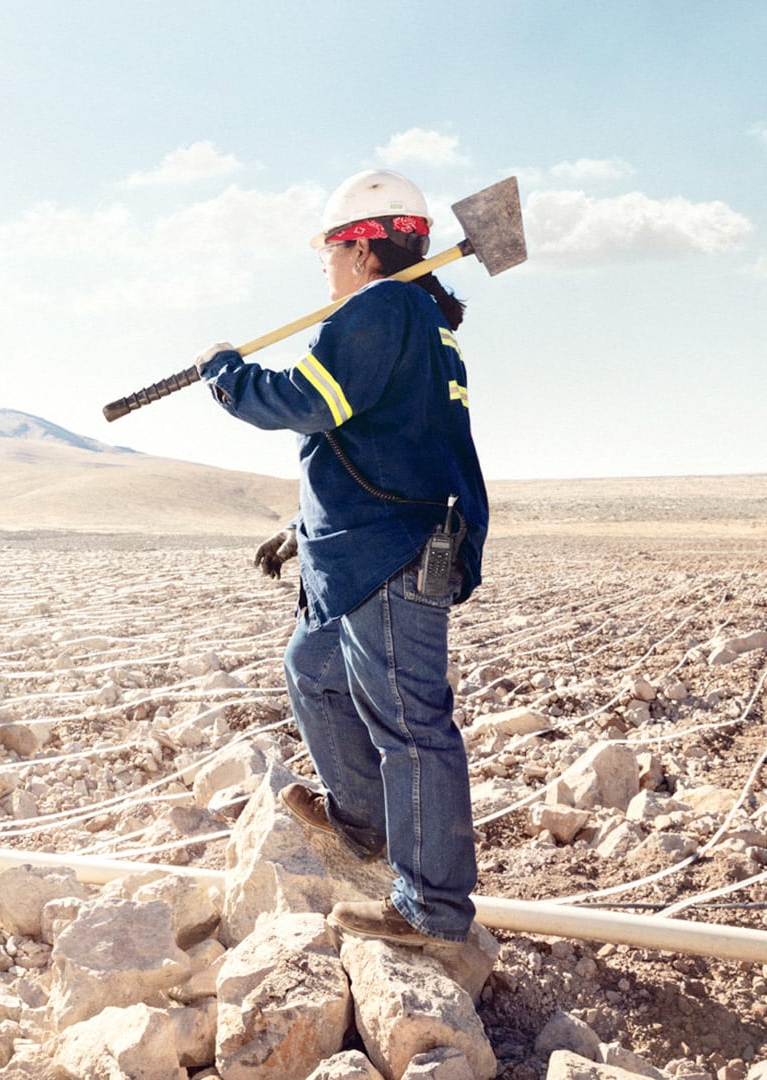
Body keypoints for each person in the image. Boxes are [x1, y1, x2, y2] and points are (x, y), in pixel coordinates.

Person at [196, 168, 489, 951]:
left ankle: (432, 907)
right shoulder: (416, 320)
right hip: (355, 550)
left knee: (412, 725)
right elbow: (379, 446)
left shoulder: (382, 307)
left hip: (389, 555)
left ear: (362, 249)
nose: (322, 268)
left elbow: (308, 401)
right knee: (314, 670)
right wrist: (299, 527)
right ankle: (360, 822)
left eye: (327, 250)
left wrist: (229, 378)